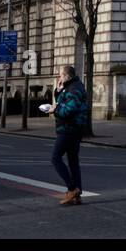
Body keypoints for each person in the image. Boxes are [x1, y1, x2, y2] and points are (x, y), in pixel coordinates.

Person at [47, 66, 90, 206]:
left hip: (69, 129)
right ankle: (77, 195)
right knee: (73, 161)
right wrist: (58, 91)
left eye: (61, 75)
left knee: (55, 158)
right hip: (73, 129)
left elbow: (68, 110)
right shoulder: (71, 87)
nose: (59, 78)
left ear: (67, 76)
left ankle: (72, 189)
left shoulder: (75, 89)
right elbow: (63, 101)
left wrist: (55, 109)